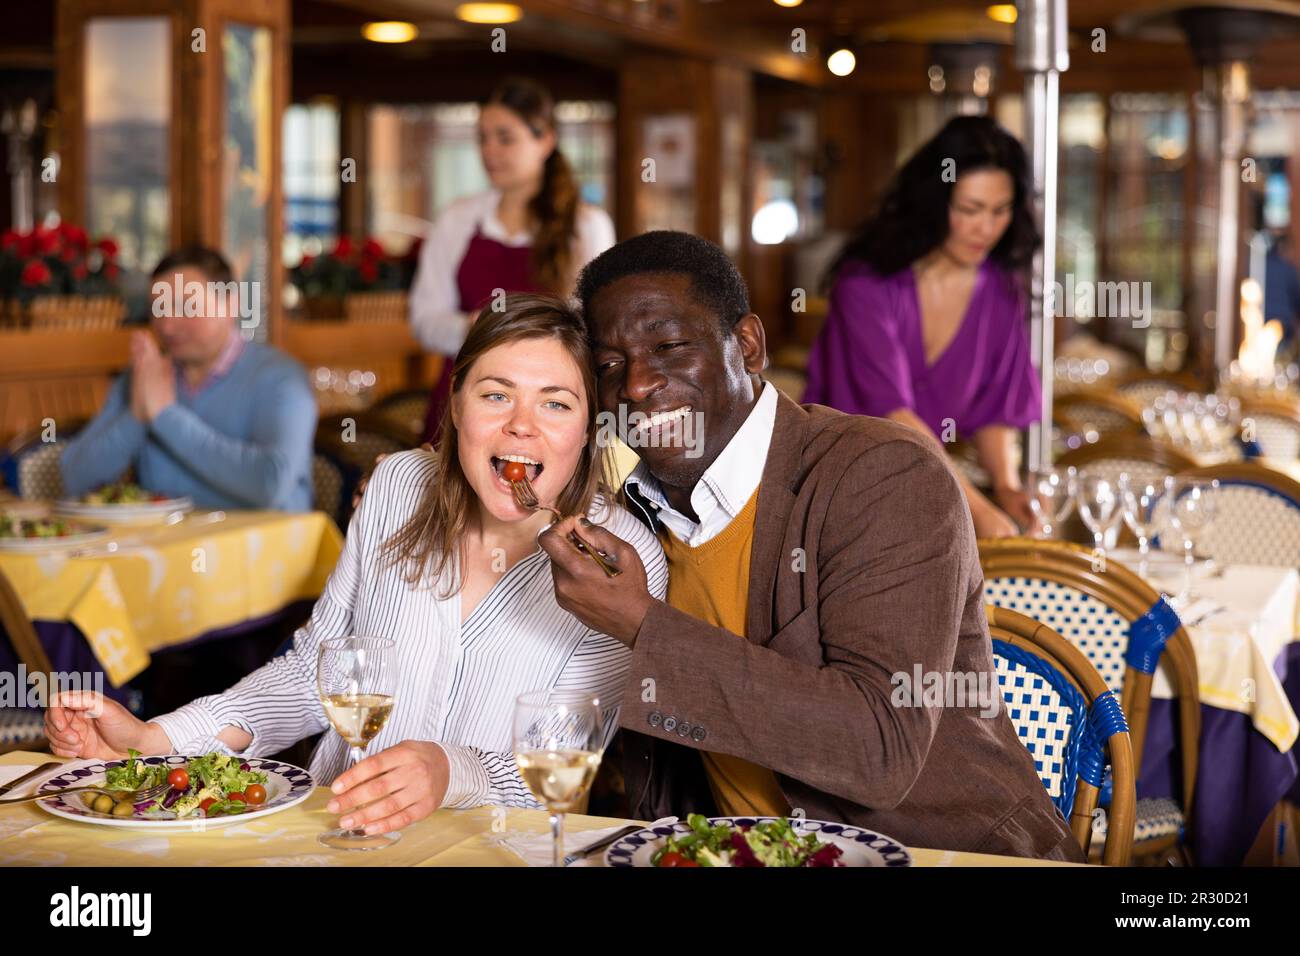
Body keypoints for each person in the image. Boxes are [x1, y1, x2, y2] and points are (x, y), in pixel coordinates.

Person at [538, 231, 1083, 860]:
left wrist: (640, 623)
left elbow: (880, 748)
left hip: (946, 854)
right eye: (609, 365)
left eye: (668, 346)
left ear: (747, 345)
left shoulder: (882, 476)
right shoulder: (630, 521)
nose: (635, 384)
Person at [46, 295, 668, 837]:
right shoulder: (399, 486)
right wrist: (158, 741)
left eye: (556, 404)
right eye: (496, 394)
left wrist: (448, 771)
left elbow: (560, 762)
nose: (522, 426)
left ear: (590, 428)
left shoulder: (621, 561)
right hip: (329, 830)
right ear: (455, 407)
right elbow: (311, 677)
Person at [803, 116, 1041, 538]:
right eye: (970, 209)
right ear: (934, 201)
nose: (986, 228)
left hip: (929, 490)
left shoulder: (1000, 288)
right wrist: (978, 511)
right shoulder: (866, 284)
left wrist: (1006, 487)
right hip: (842, 493)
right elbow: (891, 414)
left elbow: (996, 408)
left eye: (1000, 211)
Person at [409, 76, 615, 444]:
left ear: (545, 140)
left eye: (505, 137)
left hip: (547, 408)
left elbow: (593, 329)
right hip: (463, 405)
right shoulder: (457, 219)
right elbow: (424, 320)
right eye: (483, 138)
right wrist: (470, 327)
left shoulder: (588, 226)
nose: (490, 151)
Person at [60, 246, 316, 511]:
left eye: (186, 307)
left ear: (231, 304)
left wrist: (164, 416)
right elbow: (74, 479)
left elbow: (269, 484)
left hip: (269, 548)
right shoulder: (144, 376)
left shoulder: (281, 377)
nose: (167, 325)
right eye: (158, 309)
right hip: (167, 546)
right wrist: (136, 417)